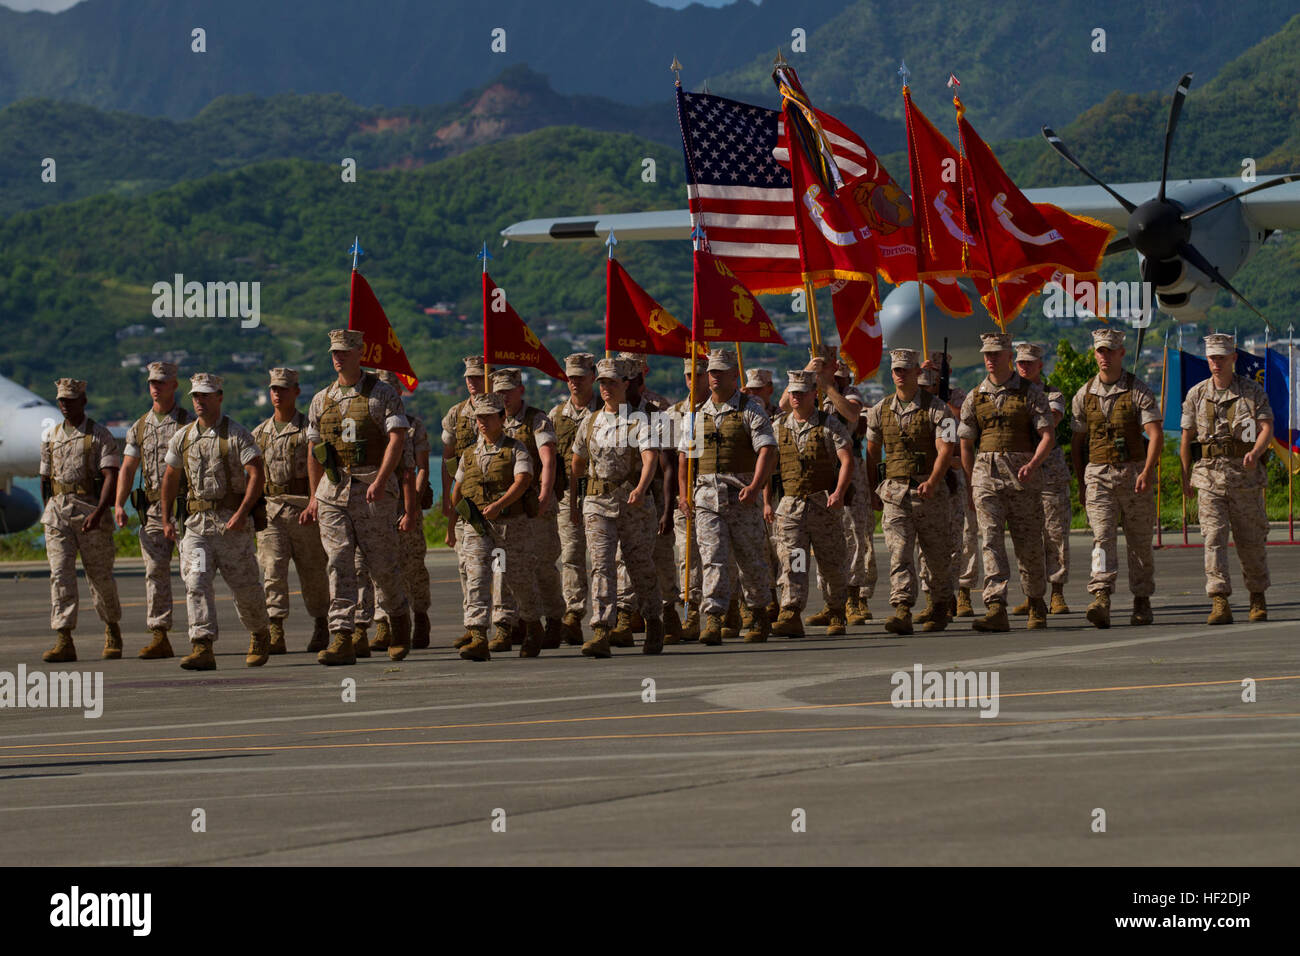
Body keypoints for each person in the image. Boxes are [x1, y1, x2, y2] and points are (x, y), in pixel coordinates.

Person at [304, 329, 418, 665]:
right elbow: (313, 450)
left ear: (359, 353)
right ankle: (342, 635)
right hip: (332, 492)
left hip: (371, 490)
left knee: (381, 564)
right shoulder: (321, 399)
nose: (338, 357)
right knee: (339, 561)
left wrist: (383, 480)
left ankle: (398, 620)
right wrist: (314, 496)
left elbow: (397, 438)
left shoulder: (381, 394)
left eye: (344, 351)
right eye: (334, 352)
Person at [159, 373, 270, 669]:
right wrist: (166, 516)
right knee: (195, 581)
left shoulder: (237, 434)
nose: (200, 401)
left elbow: (257, 473)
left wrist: (242, 513)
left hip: (230, 525)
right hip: (196, 526)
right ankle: (202, 645)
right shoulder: (182, 437)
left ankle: (260, 633)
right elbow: (170, 476)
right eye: (196, 396)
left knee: (245, 587)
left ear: (219, 396)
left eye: (206, 395)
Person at [677, 349, 777, 644]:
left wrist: (756, 486)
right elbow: (684, 458)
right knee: (713, 559)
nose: (715, 377)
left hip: (741, 496)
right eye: (711, 372)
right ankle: (715, 617)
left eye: (722, 371)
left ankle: (759, 613)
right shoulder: (696, 414)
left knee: (751, 559)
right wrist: (684, 495)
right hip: (707, 498)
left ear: (735, 375)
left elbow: (768, 450)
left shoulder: (750, 409)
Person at [959, 332, 1056, 631]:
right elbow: (965, 442)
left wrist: (1033, 464)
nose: (990, 359)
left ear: (1008, 356)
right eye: (987, 354)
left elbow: (1048, 436)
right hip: (986, 477)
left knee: (1028, 543)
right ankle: (995, 605)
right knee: (990, 540)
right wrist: (971, 479)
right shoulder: (975, 396)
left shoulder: (1030, 393)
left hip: (1021, 477)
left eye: (996, 354)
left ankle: (1036, 602)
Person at [571, 357, 664, 656]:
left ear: (626, 384)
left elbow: (650, 458)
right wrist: (578, 493)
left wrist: (641, 487)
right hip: (598, 503)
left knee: (639, 566)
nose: (606, 388)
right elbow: (577, 460)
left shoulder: (640, 420)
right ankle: (601, 630)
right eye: (602, 382)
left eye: (612, 382)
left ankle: (653, 619)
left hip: (633, 503)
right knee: (601, 564)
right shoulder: (591, 420)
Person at [1070, 328, 1162, 628]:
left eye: (1109, 350)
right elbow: (1078, 442)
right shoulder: (1084, 394)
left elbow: (1155, 435)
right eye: (1099, 350)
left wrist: (1148, 472)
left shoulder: (1138, 390)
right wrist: (1081, 483)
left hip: (1133, 473)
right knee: (1102, 538)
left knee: (1139, 542)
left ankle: (1141, 599)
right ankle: (1101, 596)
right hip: (1098, 474)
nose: (1104, 356)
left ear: (1121, 353)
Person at [1180, 332, 1274, 624]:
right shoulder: (1197, 394)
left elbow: (1266, 427)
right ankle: (1219, 600)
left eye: (1221, 357)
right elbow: (1187, 438)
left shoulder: (1252, 391)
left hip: (1244, 478)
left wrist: (1256, 452)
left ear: (1234, 358)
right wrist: (1185, 477)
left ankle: (1257, 596)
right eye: (1212, 358)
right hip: (1208, 477)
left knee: (1251, 540)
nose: (1216, 363)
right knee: (1213, 538)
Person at [865, 349, 957, 634]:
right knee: (900, 552)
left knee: (937, 555)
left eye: (906, 369)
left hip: (929, 493)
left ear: (918, 371)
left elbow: (947, 448)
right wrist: (871, 491)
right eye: (896, 370)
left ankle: (940, 604)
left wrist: (933, 479)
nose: (900, 374)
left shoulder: (938, 408)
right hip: (894, 493)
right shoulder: (879, 410)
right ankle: (902, 608)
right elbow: (871, 454)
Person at [450, 393, 543, 660]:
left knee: (518, 580)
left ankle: (533, 626)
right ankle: (478, 635)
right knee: (477, 578)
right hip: (477, 527)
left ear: (502, 418)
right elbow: (457, 489)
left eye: (489, 416)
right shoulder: (469, 453)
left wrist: (500, 504)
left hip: (511, 525)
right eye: (479, 417)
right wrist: (456, 516)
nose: (483, 422)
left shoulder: (516, 448)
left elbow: (523, 480)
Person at [765, 369, 854, 637]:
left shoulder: (829, 424)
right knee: (795, 561)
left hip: (821, 505)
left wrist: (839, 492)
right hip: (791, 507)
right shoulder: (778, 426)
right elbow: (770, 467)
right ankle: (791, 612)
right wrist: (767, 501)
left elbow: (847, 459)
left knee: (830, 562)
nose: (796, 397)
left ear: (813, 395)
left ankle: (837, 610)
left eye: (801, 393)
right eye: (792, 393)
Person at [39, 378, 122, 663]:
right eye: (61, 400)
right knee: (60, 575)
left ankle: (112, 628)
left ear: (83, 402)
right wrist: (49, 510)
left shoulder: (99, 436)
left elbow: (111, 475)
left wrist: (99, 513)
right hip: (58, 514)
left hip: (89, 511)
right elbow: (45, 479)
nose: (65, 405)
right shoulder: (50, 436)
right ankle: (64, 637)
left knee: (99, 577)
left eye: (70, 401)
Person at [252, 367, 330, 654]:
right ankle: (275, 627)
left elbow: (323, 466)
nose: (277, 394)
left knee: (313, 572)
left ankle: (322, 623)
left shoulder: (310, 430)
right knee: (272, 569)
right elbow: (252, 475)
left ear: (296, 392)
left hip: (303, 508)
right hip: (271, 510)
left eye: (283, 388)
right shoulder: (259, 434)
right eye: (273, 388)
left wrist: (316, 500)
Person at [114, 361, 188, 659]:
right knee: (154, 573)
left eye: (162, 382)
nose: (156, 387)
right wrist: (119, 504)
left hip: (184, 509)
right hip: (154, 510)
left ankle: (200, 635)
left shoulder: (187, 423)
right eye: (152, 382)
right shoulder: (140, 426)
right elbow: (128, 468)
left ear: (174, 385)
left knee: (193, 573)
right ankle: (159, 635)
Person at [491, 367, 564, 651]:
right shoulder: (492, 421)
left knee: (542, 566)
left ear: (520, 390)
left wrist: (545, 494)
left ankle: (554, 620)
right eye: (499, 392)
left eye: (508, 391)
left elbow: (549, 460)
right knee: (504, 567)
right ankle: (508, 624)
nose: (504, 397)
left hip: (535, 506)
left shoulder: (536, 420)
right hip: (506, 510)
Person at [369, 369, 432, 652]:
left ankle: (420, 616)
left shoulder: (413, 426)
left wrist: (413, 506)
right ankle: (384, 622)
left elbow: (419, 468)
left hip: (405, 502)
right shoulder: (368, 426)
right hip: (376, 505)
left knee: (412, 565)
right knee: (379, 566)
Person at [1012, 342, 1072, 616]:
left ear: (1040, 365)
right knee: (1027, 537)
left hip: (1049, 475)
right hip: (1019, 474)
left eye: (1029, 362)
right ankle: (1032, 593)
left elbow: (1051, 420)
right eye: (1020, 362)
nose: (1024, 367)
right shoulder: (1010, 395)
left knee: (1055, 534)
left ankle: (1057, 592)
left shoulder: (1053, 395)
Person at [549, 353, 601, 646]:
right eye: (571, 377)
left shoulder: (608, 411)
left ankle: (613, 613)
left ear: (592, 377)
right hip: (569, 495)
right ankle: (573, 612)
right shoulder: (556, 416)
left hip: (600, 492)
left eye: (580, 376)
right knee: (571, 555)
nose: (575, 382)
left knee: (604, 558)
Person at [443, 356, 487, 650]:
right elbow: (448, 458)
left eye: (477, 376)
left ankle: (509, 623)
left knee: (498, 567)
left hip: (494, 498)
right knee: (465, 566)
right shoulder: (455, 414)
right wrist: (448, 506)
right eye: (468, 377)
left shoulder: (501, 411)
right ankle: (473, 627)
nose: (472, 382)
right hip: (464, 497)